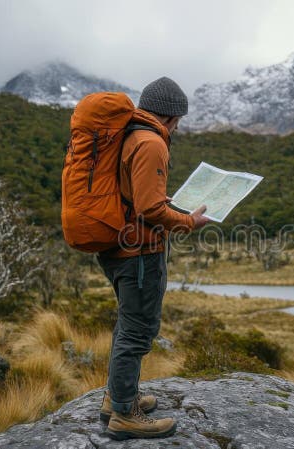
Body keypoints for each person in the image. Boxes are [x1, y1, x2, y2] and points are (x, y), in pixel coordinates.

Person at [96, 77, 210, 440]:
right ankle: (125, 415)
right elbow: (148, 209)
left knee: (127, 325)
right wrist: (189, 221)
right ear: (172, 117)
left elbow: (137, 197)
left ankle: (117, 398)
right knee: (138, 332)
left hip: (117, 247)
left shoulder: (128, 135)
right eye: (179, 120)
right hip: (140, 254)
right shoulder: (150, 142)